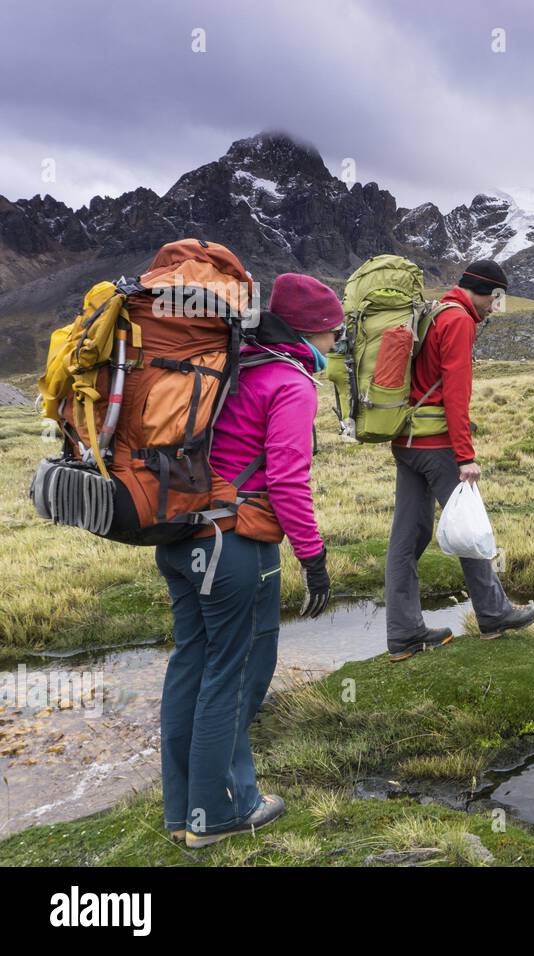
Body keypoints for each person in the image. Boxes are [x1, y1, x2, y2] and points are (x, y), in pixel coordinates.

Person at [157, 272, 337, 848]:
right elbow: (287, 481)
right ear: (310, 331)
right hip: (235, 546)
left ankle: (184, 812)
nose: (336, 345)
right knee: (235, 677)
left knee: (193, 663)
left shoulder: (228, 365)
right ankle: (225, 812)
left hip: (181, 535)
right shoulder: (290, 382)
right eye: (333, 334)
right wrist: (313, 558)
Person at [384, 260, 534, 661]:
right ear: (485, 292)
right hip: (436, 444)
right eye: (496, 300)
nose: (495, 308)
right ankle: (494, 613)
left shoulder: (436, 311)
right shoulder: (459, 321)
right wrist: (465, 456)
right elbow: (455, 391)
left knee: (407, 539)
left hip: (406, 439)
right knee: (470, 527)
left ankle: (404, 634)